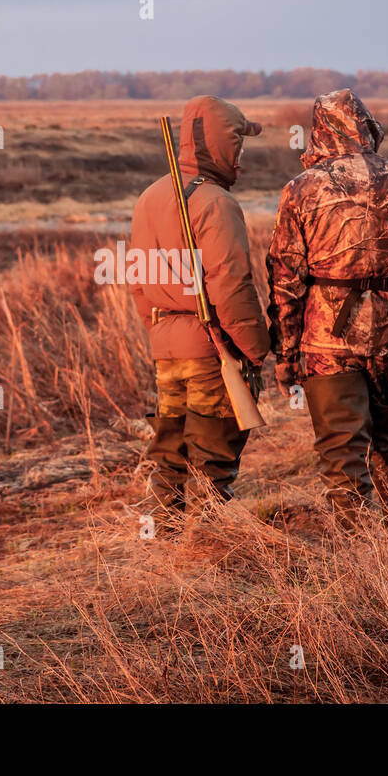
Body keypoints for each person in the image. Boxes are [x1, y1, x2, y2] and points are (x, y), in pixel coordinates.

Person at [266, 88, 388, 522]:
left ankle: (359, 557)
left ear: (320, 132)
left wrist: (285, 354)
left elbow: (286, 278)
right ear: (368, 127)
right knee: (386, 438)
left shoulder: (301, 189)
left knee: (342, 448)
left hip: (328, 340)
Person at [129, 95, 269, 532]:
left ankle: (166, 545)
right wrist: (255, 349)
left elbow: (137, 282)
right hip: (213, 350)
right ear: (223, 144)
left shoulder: (148, 198)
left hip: (166, 349)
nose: (242, 158)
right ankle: (207, 550)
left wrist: (161, 332)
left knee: (170, 450)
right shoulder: (216, 203)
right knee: (213, 453)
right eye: (238, 145)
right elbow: (232, 286)